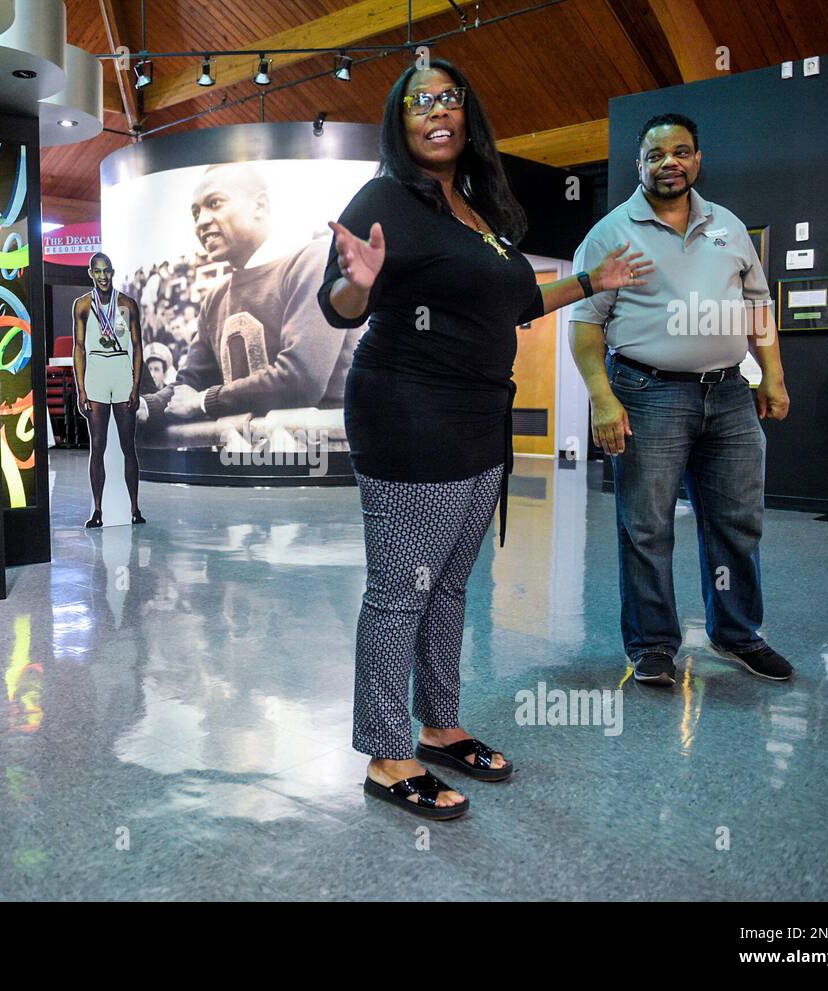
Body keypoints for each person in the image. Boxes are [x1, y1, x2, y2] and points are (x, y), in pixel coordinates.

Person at [319, 58, 649, 819]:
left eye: (449, 99)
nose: (437, 112)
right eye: (418, 103)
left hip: (476, 419)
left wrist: (594, 280)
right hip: (408, 413)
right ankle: (385, 753)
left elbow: (522, 301)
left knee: (450, 586)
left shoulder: (471, 208)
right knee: (401, 592)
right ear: (399, 123)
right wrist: (359, 284)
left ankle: (439, 724)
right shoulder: (386, 198)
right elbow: (338, 303)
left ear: (467, 116)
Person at [568, 113, 792, 687]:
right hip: (646, 394)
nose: (671, 162)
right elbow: (586, 326)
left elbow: (758, 307)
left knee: (738, 522)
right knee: (647, 527)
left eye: (682, 152)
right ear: (639, 164)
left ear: (697, 159)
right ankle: (652, 645)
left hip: (729, 395)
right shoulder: (610, 233)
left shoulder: (729, 227)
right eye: (657, 154)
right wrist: (602, 399)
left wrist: (772, 375)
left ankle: (738, 634)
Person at [141, 163, 361, 428]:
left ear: (260, 206)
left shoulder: (312, 262)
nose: (201, 221)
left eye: (215, 203)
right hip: (244, 461)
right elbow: (189, 384)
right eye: (196, 213)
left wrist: (203, 401)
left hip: (320, 462)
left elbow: (300, 381)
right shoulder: (215, 297)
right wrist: (144, 407)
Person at [72, 252, 146, 527]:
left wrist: (135, 387)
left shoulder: (127, 305)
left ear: (112, 272)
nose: (103, 276)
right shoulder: (82, 306)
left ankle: (135, 509)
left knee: (129, 445)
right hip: (96, 375)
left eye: (107, 271)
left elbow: (138, 347)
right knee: (98, 446)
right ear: (91, 273)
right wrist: (81, 389)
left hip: (120, 372)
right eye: (98, 271)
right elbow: (78, 348)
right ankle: (98, 511)